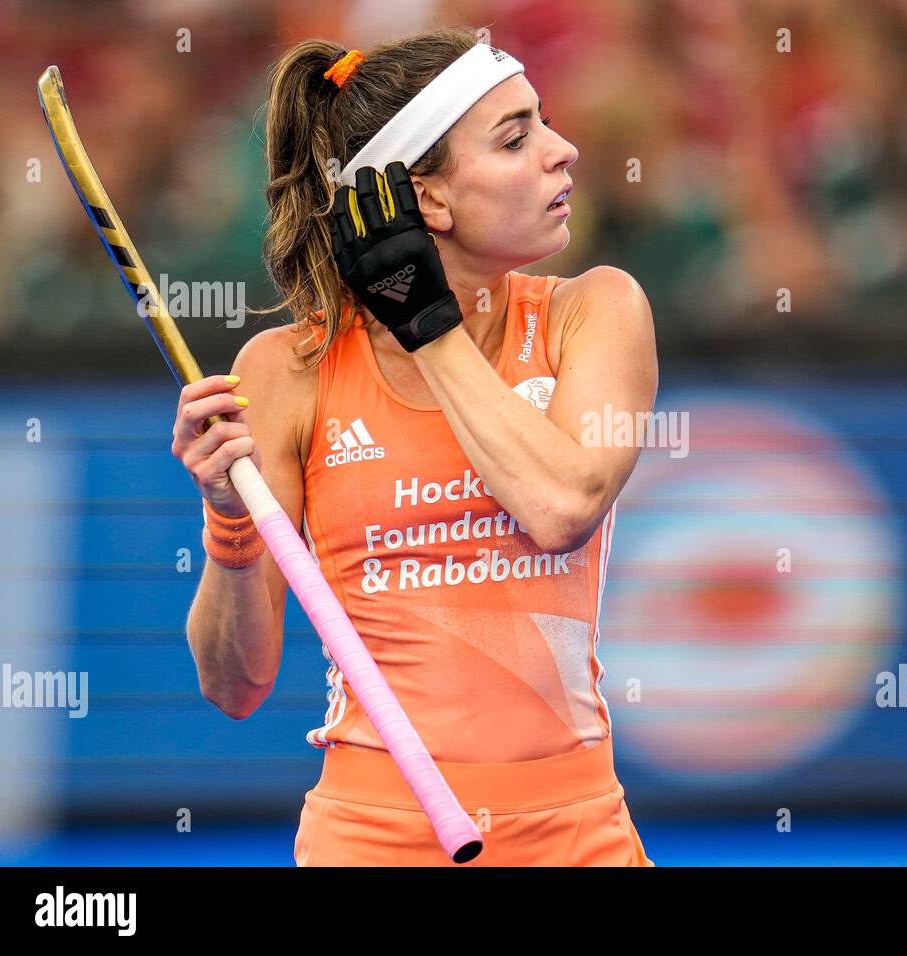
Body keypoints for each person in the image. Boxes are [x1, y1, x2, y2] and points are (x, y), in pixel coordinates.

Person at [170, 26, 658, 866]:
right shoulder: (287, 370)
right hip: (370, 837)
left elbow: (561, 508)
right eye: (517, 137)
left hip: (580, 834)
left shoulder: (596, 311)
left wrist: (427, 325)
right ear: (426, 201)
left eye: (543, 122)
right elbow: (234, 685)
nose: (563, 150)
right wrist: (229, 525)